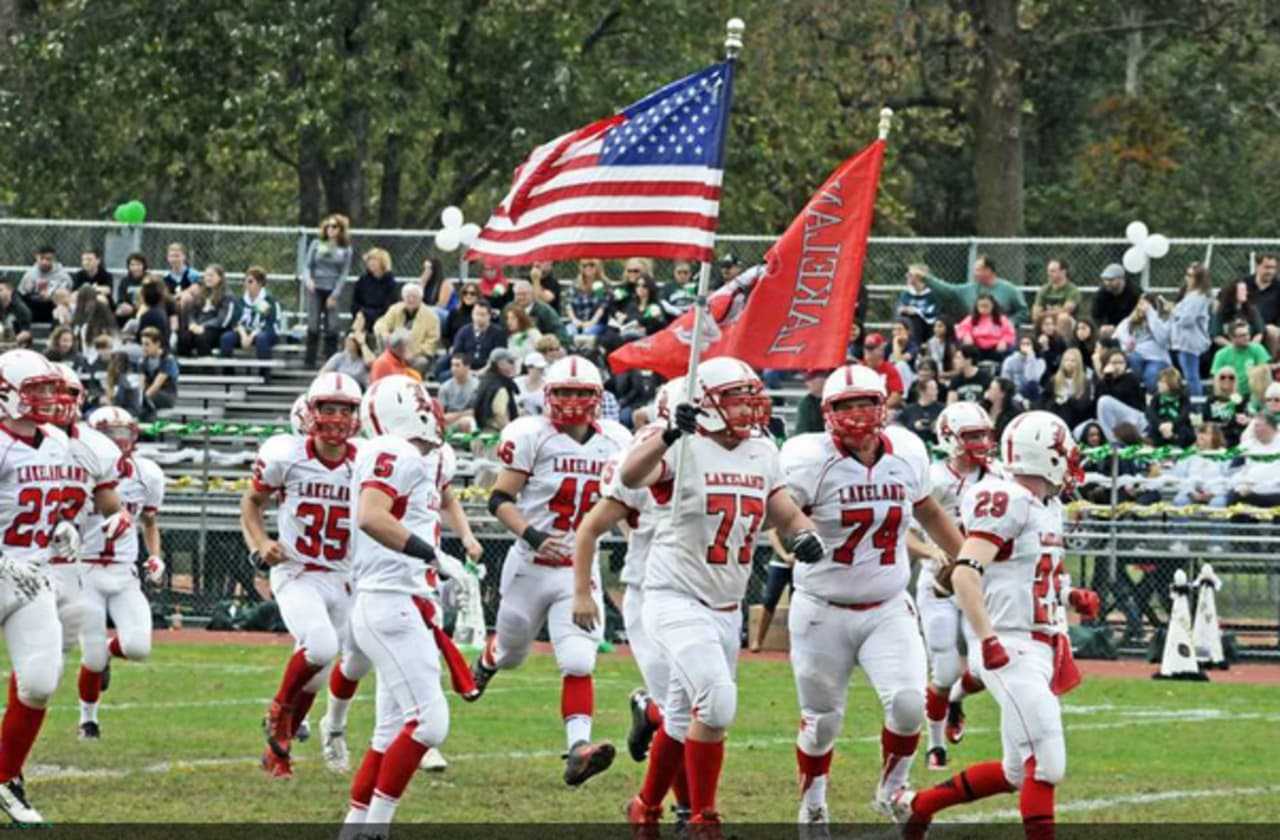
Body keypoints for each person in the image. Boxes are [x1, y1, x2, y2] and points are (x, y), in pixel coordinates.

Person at [615, 357, 820, 830]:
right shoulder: (680, 441)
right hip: (675, 594)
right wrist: (670, 433)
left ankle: (645, 807)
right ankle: (703, 817)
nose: (748, 408)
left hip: (727, 605)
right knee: (717, 701)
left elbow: (782, 509)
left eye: (750, 397)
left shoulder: (760, 449)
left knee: (681, 715)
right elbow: (630, 475)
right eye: (735, 398)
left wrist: (805, 533)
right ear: (705, 403)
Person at [890, 411, 1100, 839]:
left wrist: (1069, 597)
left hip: (1042, 643)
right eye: (1064, 452)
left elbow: (1027, 578)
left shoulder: (1048, 507)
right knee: (1048, 764)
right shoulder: (1007, 498)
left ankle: (919, 805)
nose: (1070, 461)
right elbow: (966, 574)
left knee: (1016, 771)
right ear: (1045, 455)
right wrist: (987, 640)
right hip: (1012, 643)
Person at [778, 364, 965, 825]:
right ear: (827, 411)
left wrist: (966, 558)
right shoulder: (808, 457)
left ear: (883, 405)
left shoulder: (907, 450)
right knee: (821, 722)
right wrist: (795, 537)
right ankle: (813, 804)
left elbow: (928, 511)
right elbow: (779, 515)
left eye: (866, 402)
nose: (858, 413)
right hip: (822, 608)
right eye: (846, 405)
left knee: (908, 704)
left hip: (887, 604)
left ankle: (892, 789)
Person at [468, 356, 632, 786]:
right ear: (548, 395)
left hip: (578, 569)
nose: (573, 400)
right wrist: (534, 535)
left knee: (578, 659)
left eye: (581, 393)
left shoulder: (616, 441)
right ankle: (488, 659)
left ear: (597, 398)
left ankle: (579, 749)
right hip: (530, 565)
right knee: (512, 653)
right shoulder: (531, 435)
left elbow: (628, 506)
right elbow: (499, 499)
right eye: (565, 392)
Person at [340, 375, 467, 828]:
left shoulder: (402, 454)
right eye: (420, 403)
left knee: (387, 733)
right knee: (430, 722)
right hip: (390, 599)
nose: (431, 410)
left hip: (398, 597)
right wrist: (433, 555)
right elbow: (372, 517)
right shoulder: (395, 450)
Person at [569, 379, 692, 820]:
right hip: (653, 592)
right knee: (685, 710)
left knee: (706, 706)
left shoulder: (730, 457)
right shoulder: (646, 458)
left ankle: (649, 713)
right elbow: (591, 527)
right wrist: (582, 592)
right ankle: (686, 808)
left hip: (705, 595)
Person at [240, 373, 363, 779]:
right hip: (297, 570)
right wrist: (261, 543)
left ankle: (277, 753)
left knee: (318, 675)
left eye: (345, 409)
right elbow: (251, 503)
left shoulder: (365, 461)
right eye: (328, 408)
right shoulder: (287, 456)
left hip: (344, 576)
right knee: (321, 646)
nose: (337, 418)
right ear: (311, 412)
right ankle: (278, 711)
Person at [0, 350, 83, 823]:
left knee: (39, 682)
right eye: (37, 389)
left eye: (51, 388)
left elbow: (52, 505)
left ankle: (5, 778)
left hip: (31, 575)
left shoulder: (55, 441)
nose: (50, 397)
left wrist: (62, 527)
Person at [916, 402, 999, 772]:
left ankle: (955, 700)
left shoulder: (998, 478)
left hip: (979, 581)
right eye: (971, 436)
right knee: (945, 668)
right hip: (939, 584)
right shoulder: (933, 479)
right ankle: (935, 746)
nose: (980, 442)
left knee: (983, 670)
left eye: (983, 434)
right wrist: (931, 551)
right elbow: (904, 530)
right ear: (949, 438)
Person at [76, 406, 165, 740]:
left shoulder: (148, 474)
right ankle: (88, 720)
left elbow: (150, 522)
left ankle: (108, 651)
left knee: (139, 647)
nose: (118, 440)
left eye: (122, 433)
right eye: (110, 434)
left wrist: (155, 557)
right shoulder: (78, 471)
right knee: (92, 657)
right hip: (85, 570)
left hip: (124, 573)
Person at [302, 214, 354, 367]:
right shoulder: (317, 244)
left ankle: (331, 360)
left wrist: (335, 294)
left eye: (334, 226)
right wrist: (308, 280)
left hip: (332, 289)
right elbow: (307, 266)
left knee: (332, 325)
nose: (330, 229)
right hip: (315, 288)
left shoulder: (345, 249)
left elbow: (344, 273)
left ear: (341, 230)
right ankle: (309, 360)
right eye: (328, 226)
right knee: (313, 323)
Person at [922, 255, 1029, 327]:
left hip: (1000, 335)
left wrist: (1009, 323)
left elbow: (1023, 312)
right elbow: (948, 290)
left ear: (988, 270)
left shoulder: (1009, 290)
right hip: (974, 333)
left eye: (978, 270)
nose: (974, 273)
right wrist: (926, 278)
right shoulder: (969, 289)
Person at [374, 283, 441, 374]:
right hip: (394, 350)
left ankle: (405, 377)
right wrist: (386, 335)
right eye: (408, 296)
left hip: (416, 354)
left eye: (414, 297)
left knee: (422, 362)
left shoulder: (431, 316)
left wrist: (412, 352)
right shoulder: (394, 309)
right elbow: (381, 324)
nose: (411, 300)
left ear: (421, 299)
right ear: (403, 298)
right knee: (381, 350)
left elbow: (432, 341)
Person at [1169, 262, 1213, 398]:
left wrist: (1173, 311)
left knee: (1192, 377)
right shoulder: (1191, 295)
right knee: (1190, 376)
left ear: (1198, 279)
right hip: (1184, 342)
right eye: (1187, 274)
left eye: (1190, 276)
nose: (1187, 278)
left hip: (1190, 343)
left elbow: (1187, 320)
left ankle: (1196, 405)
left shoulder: (1198, 297)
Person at [1115, 295, 1172, 392]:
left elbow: (1162, 339)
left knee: (1151, 377)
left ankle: (1150, 397)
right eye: (1141, 304)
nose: (1142, 307)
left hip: (1157, 359)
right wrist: (1127, 343)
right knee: (1133, 359)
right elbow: (1119, 333)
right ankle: (1136, 391)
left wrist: (1150, 314)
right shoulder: (1130, 320)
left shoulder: (1162, 320)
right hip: (1137, 357)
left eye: (1146, 305)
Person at [179, 265, 239, 357]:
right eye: (206, 275)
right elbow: (192, 312)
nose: (208, 278)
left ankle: (207, 364)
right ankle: (186, 365)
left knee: (201, 338)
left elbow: (224, 320)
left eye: (211, 275)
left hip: (216, 330)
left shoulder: (228, 296)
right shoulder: (201, 293)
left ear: (220, 278)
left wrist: (204, 326)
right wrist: (192, 324)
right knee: (184, 337)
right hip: (198, 327)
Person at [222, 267, 279, 361]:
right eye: (245, 281)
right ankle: (227, 369)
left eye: (250, 281)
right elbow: (236, 321)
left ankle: (264, 369)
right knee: (226, 338)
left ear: (260, 283)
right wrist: (244, 336)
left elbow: (268, 323)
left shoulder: (267, 300)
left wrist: (251, 336)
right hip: (245, 332)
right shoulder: (241, 300)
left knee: (261, 339)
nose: (246, 284)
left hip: (264, 332)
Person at [1166, 423, 1228, 508]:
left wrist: (1213, 493)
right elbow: (1178, 477)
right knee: (1180, 501)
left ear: (1216, 436)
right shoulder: (1189, 453)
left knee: (1218, 503)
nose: (1201, 436)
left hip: (1216, 493)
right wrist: (1190, 492)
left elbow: (1228, 479)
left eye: (1206, 433)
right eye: (1200, 433)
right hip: (1191, 492)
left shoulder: (1224, 454)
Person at [1210, 319, 1271, 401]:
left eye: (1247, 334)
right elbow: (1216, 378)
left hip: (1254, 395)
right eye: (1242, 335)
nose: (1247, 338)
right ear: (1232, 338)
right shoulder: (1221, 354)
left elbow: (1265, 374)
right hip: (1231, 395)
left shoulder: (1257, 349)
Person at [351, 248, 399, 340]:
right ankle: (355, 340)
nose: (371, 263)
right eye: (370, 260)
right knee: (359, 321)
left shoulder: (390, 282)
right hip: (362, 317)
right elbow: (355, 302)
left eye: (375, 260)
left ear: (383, 262)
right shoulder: (363, 280)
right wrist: (360, 312)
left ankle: (356, 336)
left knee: (362, 323)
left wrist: (367, 313)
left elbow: (390, 306)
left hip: (382, 317)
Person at [448, 299, 507, 374]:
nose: (478, 317)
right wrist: (467, 370)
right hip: (465, 370)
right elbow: (457, 354)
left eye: (482, 315)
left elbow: (498, 358)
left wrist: (482, 371)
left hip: (489, 371)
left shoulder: (498, 333)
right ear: (472, 314)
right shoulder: (463, 331)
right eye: (476, 314)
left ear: (489, 316)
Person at [1041, 348, 1093, 432]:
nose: (1069, 363)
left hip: (1076, 417)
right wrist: (1057, 401)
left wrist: (1069, 400)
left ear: (1078, 363)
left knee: (1067, 407)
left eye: (1073, 361)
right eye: (1066, 360)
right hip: (1056, 415)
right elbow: (1045, 399)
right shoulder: (1054, 380)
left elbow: (1083, 405)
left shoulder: (1085, 382)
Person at [471, 348, 522, 434]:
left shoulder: (485, 380)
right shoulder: (500, 388)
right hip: (497, 434)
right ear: (500, 364)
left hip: (483, 430)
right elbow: (500, 416)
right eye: (511, 362)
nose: (514, 365)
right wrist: (511, 434)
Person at [18, 245, 73, 324]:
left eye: (48, 259)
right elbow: (21, 294)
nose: (44, 262)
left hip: (54, 306)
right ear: (36, 258)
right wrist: (37, 295)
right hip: (34, 306)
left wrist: (52, 296)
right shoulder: (30, 275)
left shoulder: (63, 276)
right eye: (42, 258)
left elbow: (67, 296)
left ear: (53, 259)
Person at [955, 293, 1015, 363]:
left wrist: (1004, 341)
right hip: (977, 347)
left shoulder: (1001, 319)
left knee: (1008, 351)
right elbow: (962, 329)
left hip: (996, 348)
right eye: (981, 306)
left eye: (986, 306)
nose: (983, 308)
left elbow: (1009, 333)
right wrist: (967, 335)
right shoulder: (971, 319)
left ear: (992, 306)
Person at [1145, 367, 1195, 447]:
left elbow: (1184, 415)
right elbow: (1151, 413)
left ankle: (1176, 444)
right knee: (1151, 430)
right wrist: (1160, 424)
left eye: (1162, 382)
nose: (1158, 384)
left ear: (1171, 383)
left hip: (1177, 425)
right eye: (1159, 381)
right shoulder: (1156, 397)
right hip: (1160, 425)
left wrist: (1172, 424)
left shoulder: (1183, 397)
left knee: (1184, 431)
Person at [137, 327, 179, 420]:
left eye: (147, 344)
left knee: (146, 401)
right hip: (148, 393)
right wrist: (138, 397)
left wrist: (142, 399)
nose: (144, 348)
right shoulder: (143, 361)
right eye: (142, 344)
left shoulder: (168, 359)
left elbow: (156, 385)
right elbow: (141, 383)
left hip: (166, 395)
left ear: (157, 344)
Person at [1091, 263, 1140, 341]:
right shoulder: (1101, 294)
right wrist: (1103, 325)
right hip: (1109, 328)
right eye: (1105, 279)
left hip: (1131, 327)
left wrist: (1121, 328)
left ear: (1121, 279)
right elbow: (1096, 315)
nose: (1107, 283)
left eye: (1111, 280)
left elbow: (1139, 315)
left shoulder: (1135, 293)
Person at [1243, 254, 1280, 356]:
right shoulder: (1243, 283)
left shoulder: (1278, 287)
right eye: (1267, 267)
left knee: (1272, 331)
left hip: (1268, 328)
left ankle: (1271, 363)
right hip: (1244, 325)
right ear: (1257, 266)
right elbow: (1221, 300)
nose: (1270, 271)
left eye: (1273, 268)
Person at [567, 260, 610, 344]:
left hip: (596, 323)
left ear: (598, 267)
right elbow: (568, 305)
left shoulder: (601, 285)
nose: (588, 268)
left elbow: (602, 307)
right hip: (577, 322)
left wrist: (591, 322)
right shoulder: (576, 284)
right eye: (584, 265)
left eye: (591, 265)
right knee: (568, 333)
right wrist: (574, 320)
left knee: (587, 333)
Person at [896, 264, 939, 346]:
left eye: (910, 274)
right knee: (904, 319)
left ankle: (915, 347)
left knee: (915, 318)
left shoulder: (932, 294)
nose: (906, 275)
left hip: (927, 328)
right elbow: (900, 308)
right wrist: (903, 309)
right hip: (909, 325)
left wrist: (916, 311)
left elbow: (933, 314)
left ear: (919, 277)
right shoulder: (907, 293)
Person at [1206, 367, 1249, 448]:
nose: (1227, 380)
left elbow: (1241, 421)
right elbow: (1206, 419)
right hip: (1215, 435)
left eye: (1231, 377)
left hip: (1233, 436)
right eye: (1222, 377)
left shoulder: (1240, 399)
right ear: (1217, 380)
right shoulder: (1211, 399)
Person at [860, 333, 905, 406]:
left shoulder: (889, 369)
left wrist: (882, 408)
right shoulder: (858, 368)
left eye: (871, 348)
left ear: (881, 350)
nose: (868, 351)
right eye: (866, 348)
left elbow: (896, 395)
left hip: (884, 407)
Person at [438, 352, 478, 433]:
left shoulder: (476, 386)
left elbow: (476, 412)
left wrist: (455, 416)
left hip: (470, 421)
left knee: (466, 421)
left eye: (457, 365)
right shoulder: (444, 387)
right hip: (450, 423)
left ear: (467, 367)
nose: (453, 369)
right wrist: (463, 414)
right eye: (452, 365)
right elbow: (441, 416)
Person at [1030, 259, 1080, 323]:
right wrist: (1043, 316)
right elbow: (1035, 313)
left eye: (1052, 271)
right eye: (1048, 271)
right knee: (1037, 319)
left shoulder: (1072, 290)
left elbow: (1066, 311)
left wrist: (1043, 314)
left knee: (1063, 318)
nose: (1049, 274)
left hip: (1068, 323)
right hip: (1047, 321)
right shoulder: (1044, 289)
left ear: (1063, 272)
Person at [1000, 336, 1047, 403]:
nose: (1025, 346)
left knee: (1032, 385)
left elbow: (1032, 378)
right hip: (1015, 392)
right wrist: (1018, 397)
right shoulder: (1010, 360)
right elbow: (1005, 380)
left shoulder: (1040, 361)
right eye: (1023, 344)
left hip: (1031, 391)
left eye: (1028, 344)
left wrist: (1030, 358)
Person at [899, 376, 944, 444]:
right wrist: (914, 426)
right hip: (913, 444)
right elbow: (901, 430)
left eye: (936, 389)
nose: (937, 392)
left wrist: (935, 427)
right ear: (922, 391)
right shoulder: (909, 410)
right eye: (932, 389)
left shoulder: (942, 409)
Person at [442, 281, 480, 349]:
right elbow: (445, 335)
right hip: (455, 350)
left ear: (478, 296)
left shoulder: (481, 314)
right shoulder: (453, 313)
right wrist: (450, 347)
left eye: (472, 293)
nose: (468, 296)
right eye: (465, 293)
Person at [115, 254, 149, 326]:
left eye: (138, 265)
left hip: (145, 309)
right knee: (118, 313)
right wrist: (123, 305)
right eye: (132, 265)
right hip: (128, 309)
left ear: (144, 266)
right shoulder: (125, 281)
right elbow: (120, 299)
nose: (135, 268)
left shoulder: (149, 279)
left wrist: (135, 309)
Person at [984, 377, 1021, 441]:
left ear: (1002, 394)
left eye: (991, 389)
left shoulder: (1013, 414)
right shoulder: (984, 407)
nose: (988, 391)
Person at [793, 369, 827, 435]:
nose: (807, 383)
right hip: (812, 439)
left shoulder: (834, 399)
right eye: (807, 379)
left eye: (811, 379)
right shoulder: (806, 402)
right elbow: (802, 430)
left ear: (823, 379)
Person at [514, 352, 548, 417]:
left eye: (543, 367)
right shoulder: (517, 382)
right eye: (538, 368)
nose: (542, 370)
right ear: (529, 368)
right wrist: (519, 410)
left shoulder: (548, 384)